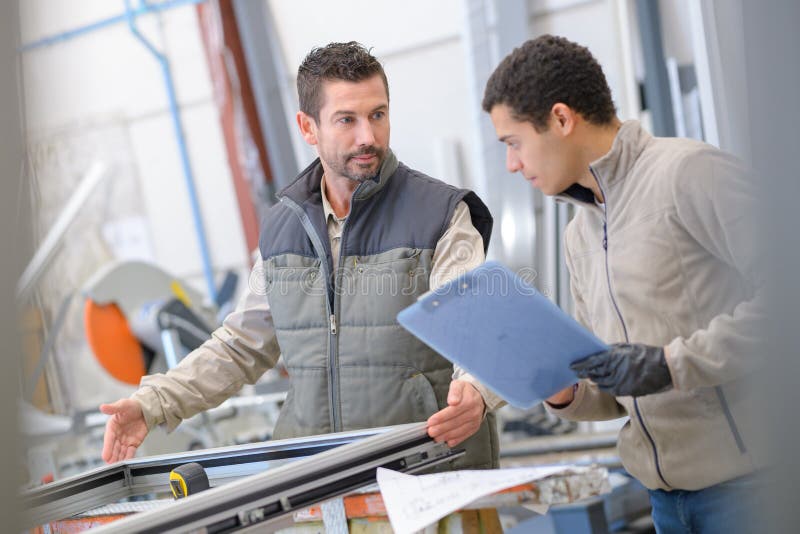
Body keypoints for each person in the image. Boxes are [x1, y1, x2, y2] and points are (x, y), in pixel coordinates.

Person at [100, 42, 498, 469]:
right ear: (308, 128)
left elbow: (477, 328)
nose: (368, 136)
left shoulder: (439, 214)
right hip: (316, 480)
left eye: (377, 115)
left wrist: (476, 389)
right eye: (347, 119)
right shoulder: (281, 228)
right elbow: (241, 346)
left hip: (429, 471)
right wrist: (153, 402)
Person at [482, 35, 763, 532]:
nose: (511, 164)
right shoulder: (579, 234)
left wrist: (671, 364)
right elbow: (615, 389)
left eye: (513, 142)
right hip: (666, 503)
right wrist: (566, 392)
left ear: (562, 119)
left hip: (751, 488)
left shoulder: (690, 174)